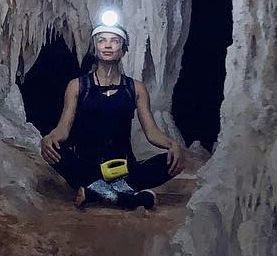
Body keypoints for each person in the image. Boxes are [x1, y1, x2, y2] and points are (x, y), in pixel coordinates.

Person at [40, 12, 185, 209]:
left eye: (114, 41)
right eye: (102, 41)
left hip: (123, 166)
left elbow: (151, 132)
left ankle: (96, 192)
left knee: (173, 161)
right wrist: (50, 137)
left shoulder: (135, 88)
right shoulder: (77, 86)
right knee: (54, 151)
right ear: (96, 47)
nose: (108, 46)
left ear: (123, 49)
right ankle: (123, 195)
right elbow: (63, 129)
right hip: (86, 165)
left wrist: (171, 144)